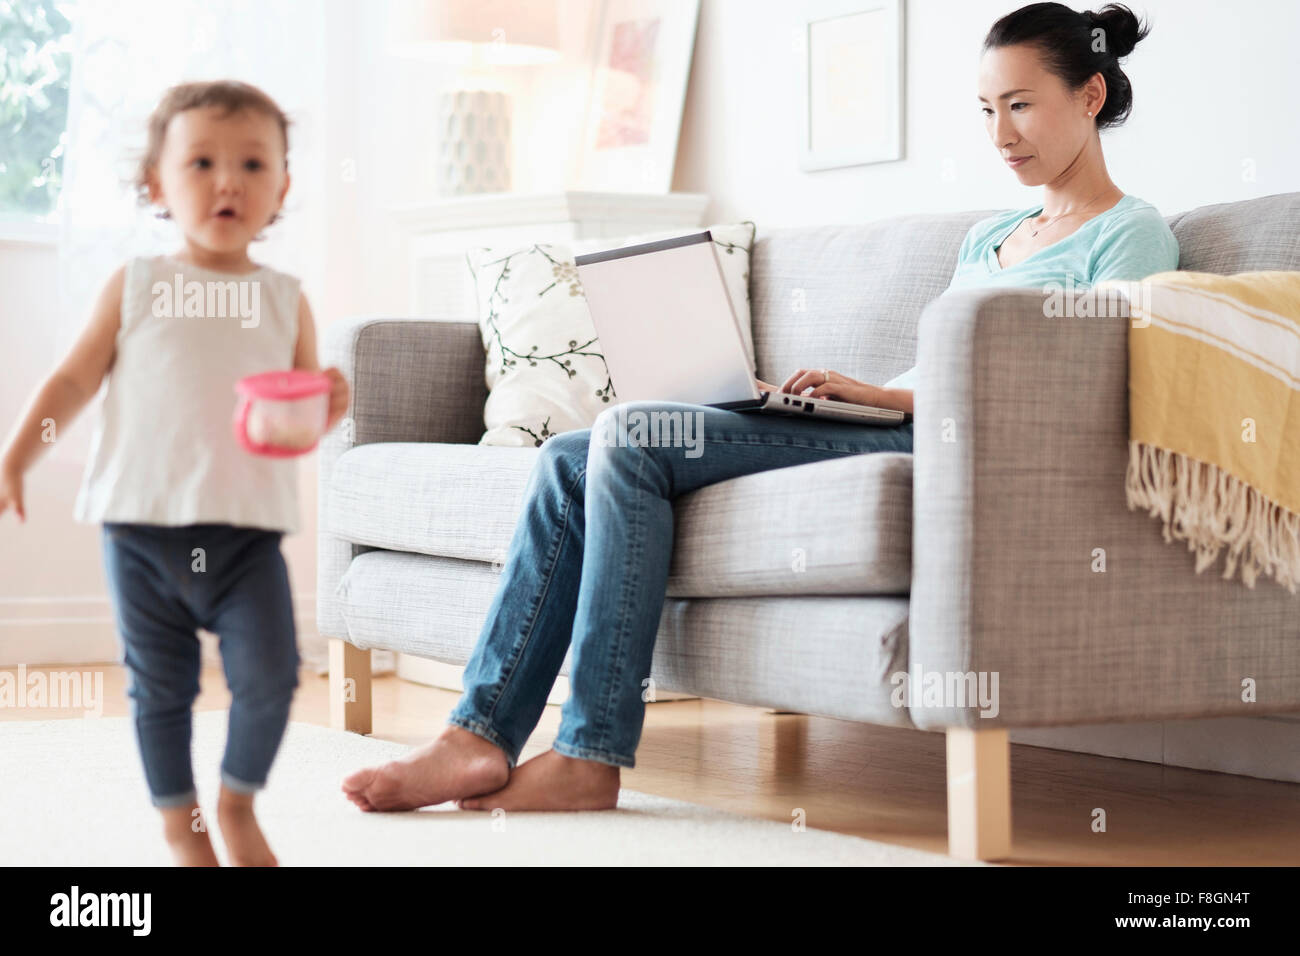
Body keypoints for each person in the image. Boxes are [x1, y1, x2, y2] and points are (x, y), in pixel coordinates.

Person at [340, 1, 1176, 813]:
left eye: (1021, 106)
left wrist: (883, 395)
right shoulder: (987, 238)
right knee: (571, 455)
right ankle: (478, 732)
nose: (1000, 136)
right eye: (988, 110)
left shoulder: (1129, 234)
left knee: (631, 437)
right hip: (888, 417)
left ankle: (590, 754)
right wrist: (846, 392)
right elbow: (943, 358)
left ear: (1091, 96)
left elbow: (1081, 385)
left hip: (944, 443)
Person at [0, 80, 350, 865]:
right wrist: (18, 455)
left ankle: (236, 800)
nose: (228, 180)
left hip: (245, 540)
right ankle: (178, 820)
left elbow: (293, 419)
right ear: (156, 184)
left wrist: (326, 404)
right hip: (142, 534)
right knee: (161, 690)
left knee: (272, 677)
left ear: (282, 188)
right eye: (201, 162)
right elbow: (71, 382)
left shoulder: (285, 302)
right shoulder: (137, 286)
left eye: (253, 164)